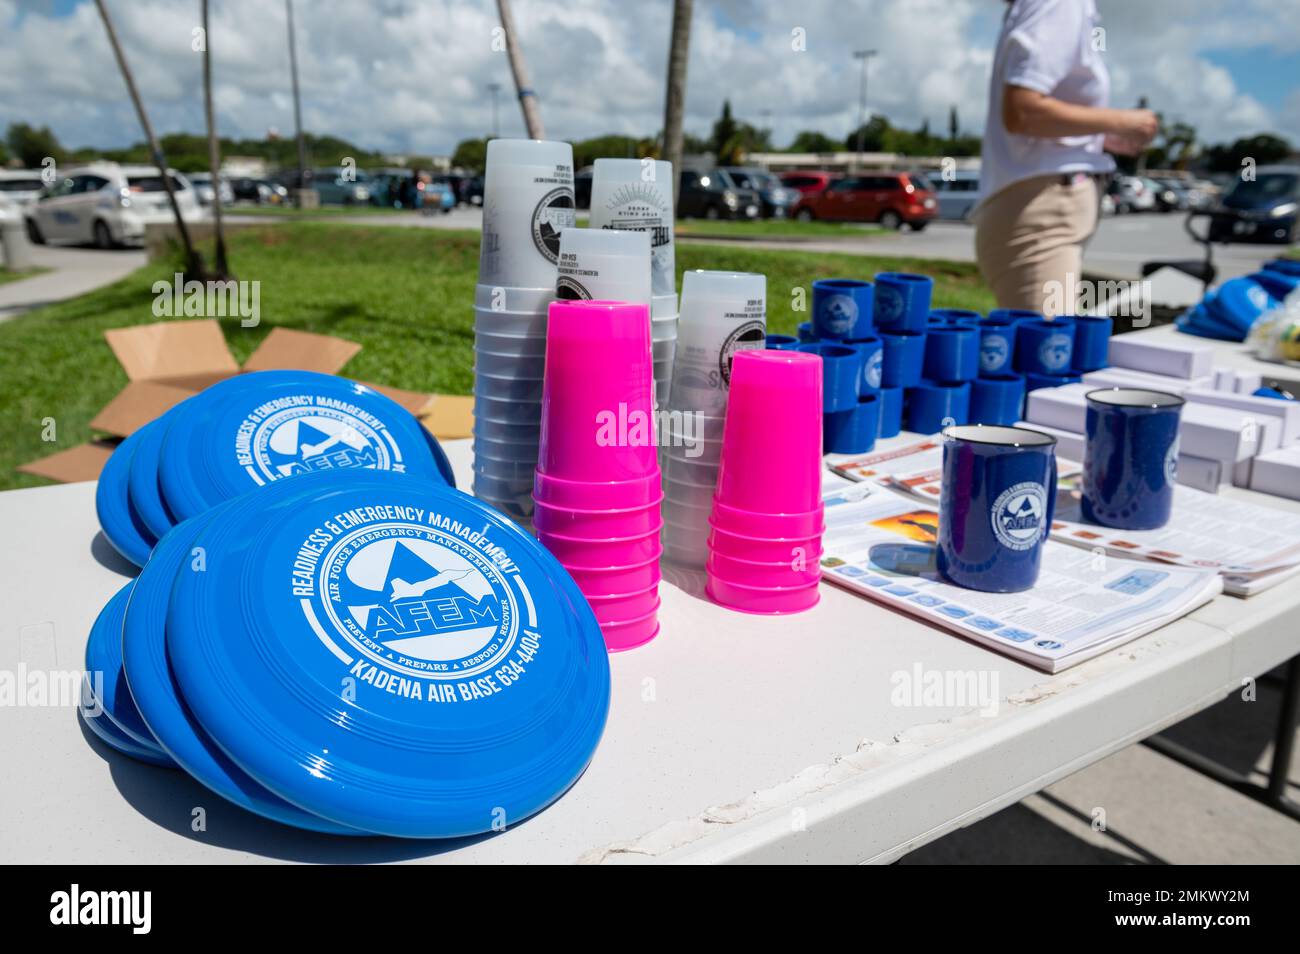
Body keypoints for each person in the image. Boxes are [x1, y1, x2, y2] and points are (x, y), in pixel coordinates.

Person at [974, 0, 1158, 315]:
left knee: (1043, 345)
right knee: (1046, 347)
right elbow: (1023, 110)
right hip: (1042, 209)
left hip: (1034, 205)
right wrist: (1125, 122)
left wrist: (1099, 137)